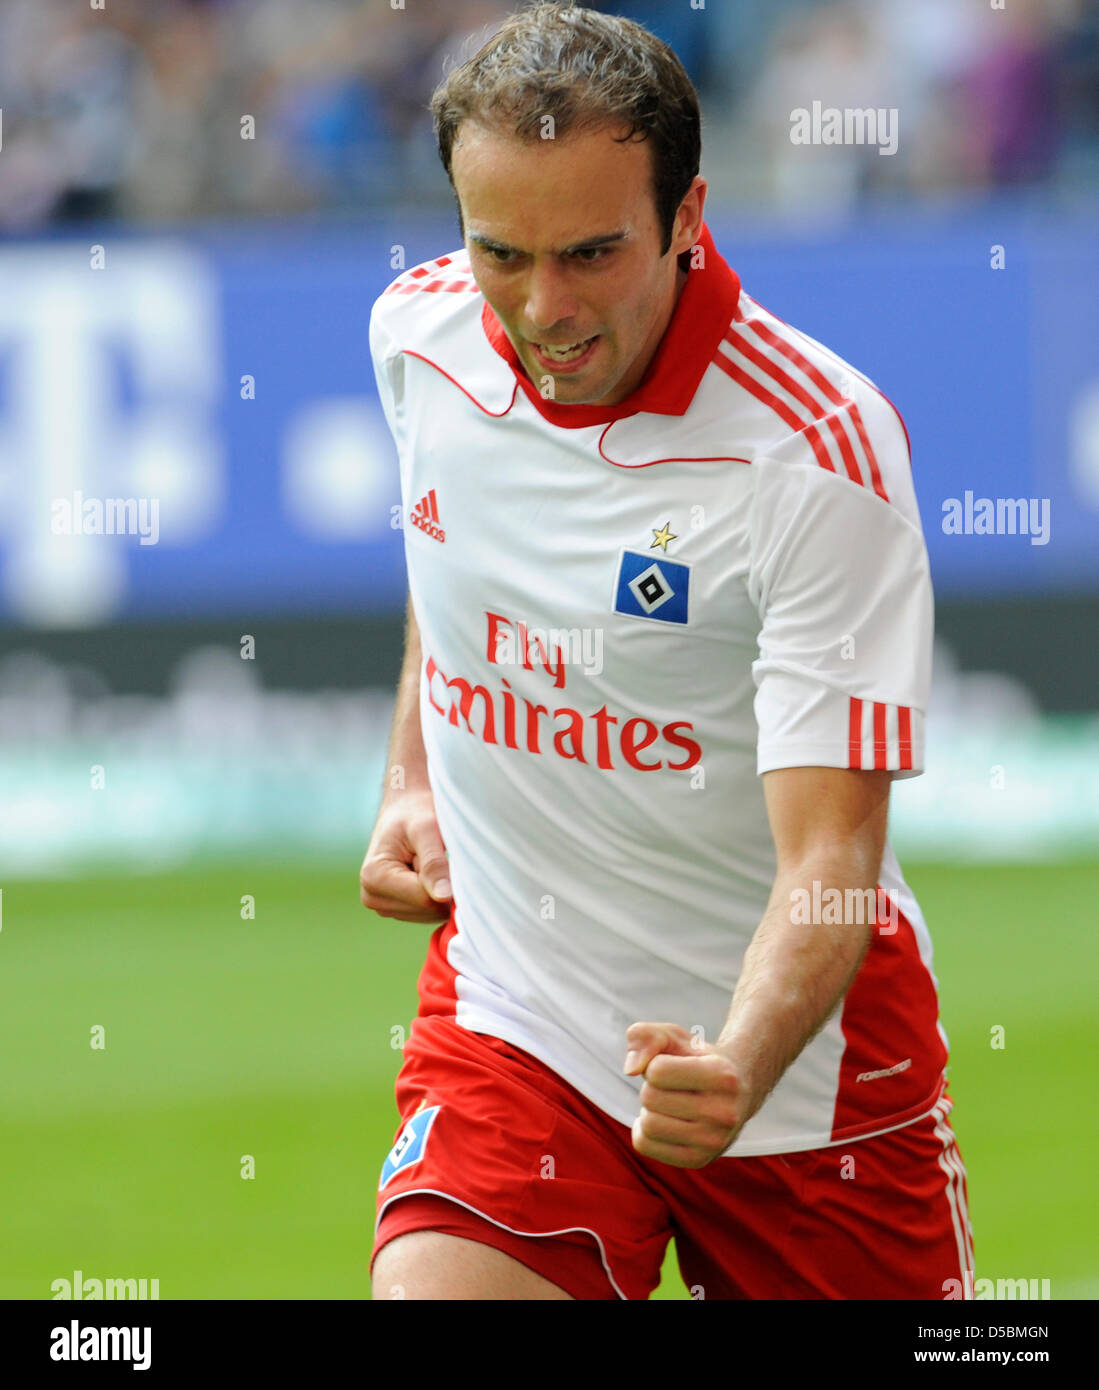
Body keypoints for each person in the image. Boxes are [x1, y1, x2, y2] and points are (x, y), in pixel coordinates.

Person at [361, 2, 972, 1301]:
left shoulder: (818, 452)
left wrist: (738, 1063)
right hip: (514, 1020)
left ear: (689, 216)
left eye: (591, 252)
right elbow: (449, 557)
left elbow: (833, 856)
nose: (543, 308)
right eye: (501, 254)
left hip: (805, 1083)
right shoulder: (418, 336)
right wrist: (411, 778)